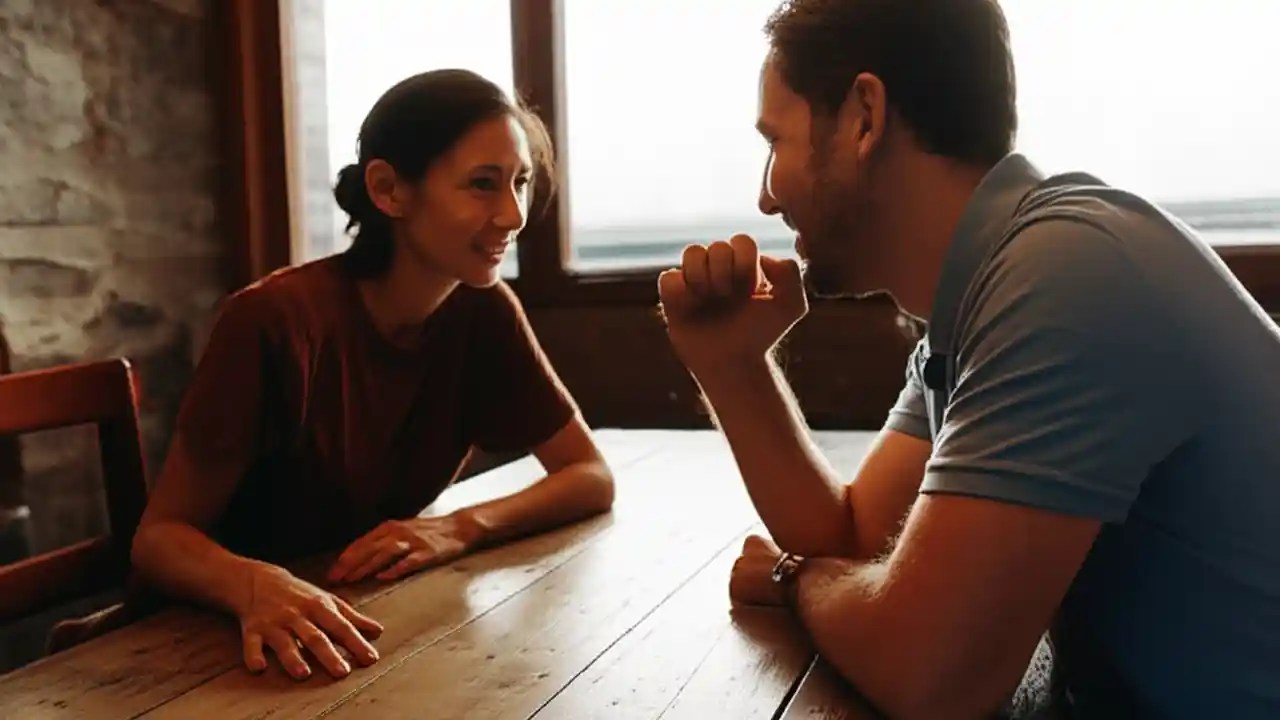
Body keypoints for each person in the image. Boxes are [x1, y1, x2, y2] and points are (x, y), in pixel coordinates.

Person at [657, 1, 1280, 718]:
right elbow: (857, 538)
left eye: (776, 141)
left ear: (864, 116)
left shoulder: (1064, 272)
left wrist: (797, 580)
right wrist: (733, 369)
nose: (765, 194)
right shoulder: (982, 300)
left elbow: (928, 674)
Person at [128, 69, 615, 682]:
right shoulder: (273, 321)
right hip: (215, 641)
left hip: (365, 624)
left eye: (520, 182)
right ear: (389, 190)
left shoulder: (481, 309)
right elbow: (160, 539)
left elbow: (589, 475)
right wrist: (255, 585)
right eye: (482, 185)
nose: (513, 215)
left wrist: (458, 528)